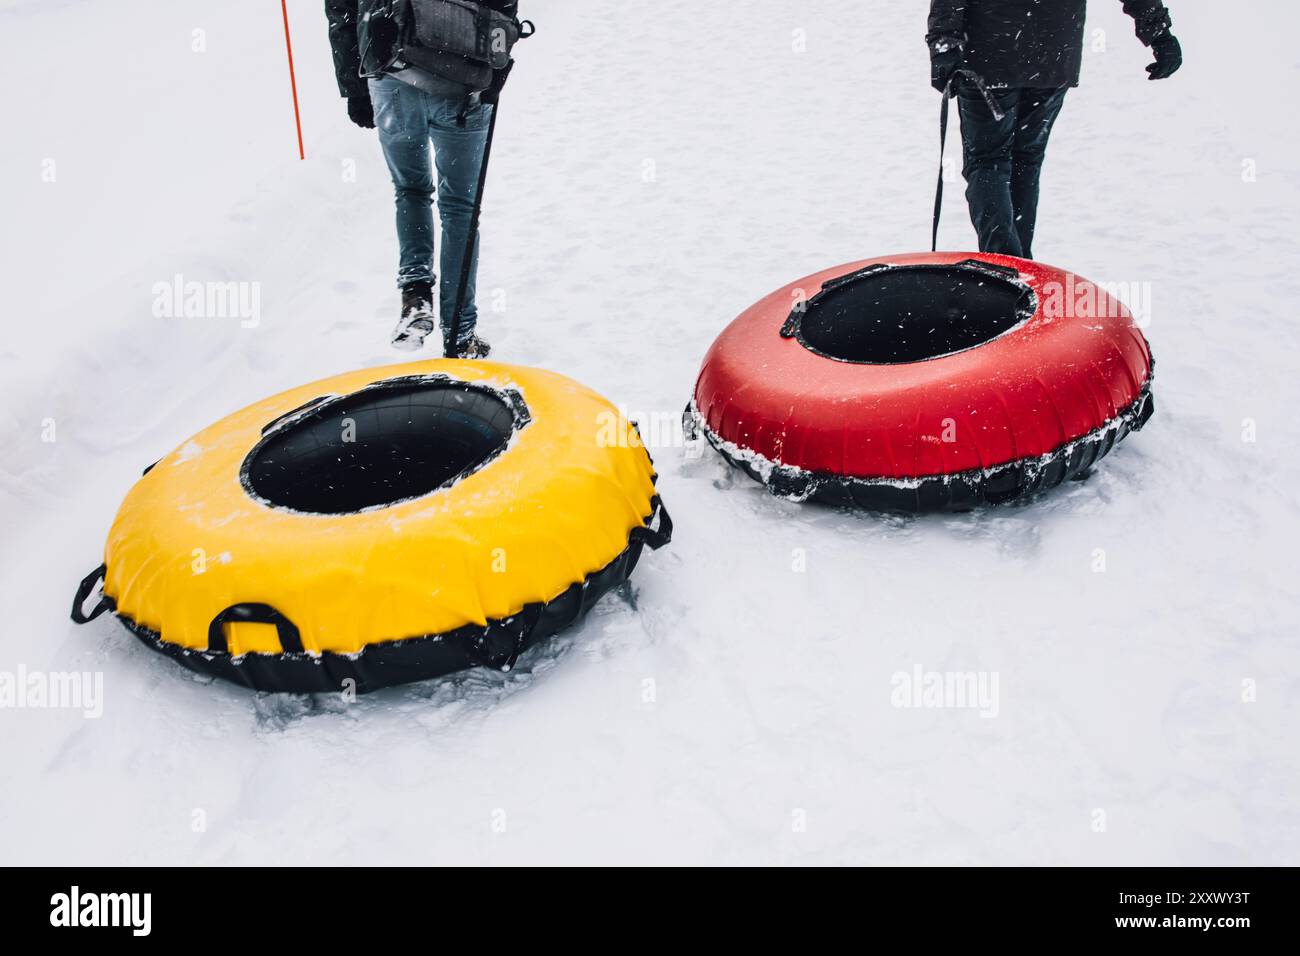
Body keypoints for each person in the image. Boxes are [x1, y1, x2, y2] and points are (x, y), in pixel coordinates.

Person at [326, 1, 519, 357]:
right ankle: (460, 335)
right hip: (464, 75)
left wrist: (354, 88)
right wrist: (499, 61)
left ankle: (416, 298)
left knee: (411, 190)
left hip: (391, 69)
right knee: (460, 209)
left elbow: (343, 10)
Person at [927, 1, 1182, 259]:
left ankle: (1005, 264)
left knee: (988, 161)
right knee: (1025, 160)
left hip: (990, 49)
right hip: (1053, 51)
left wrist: (943, 44)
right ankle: (1019, 265)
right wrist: (1159, 32)